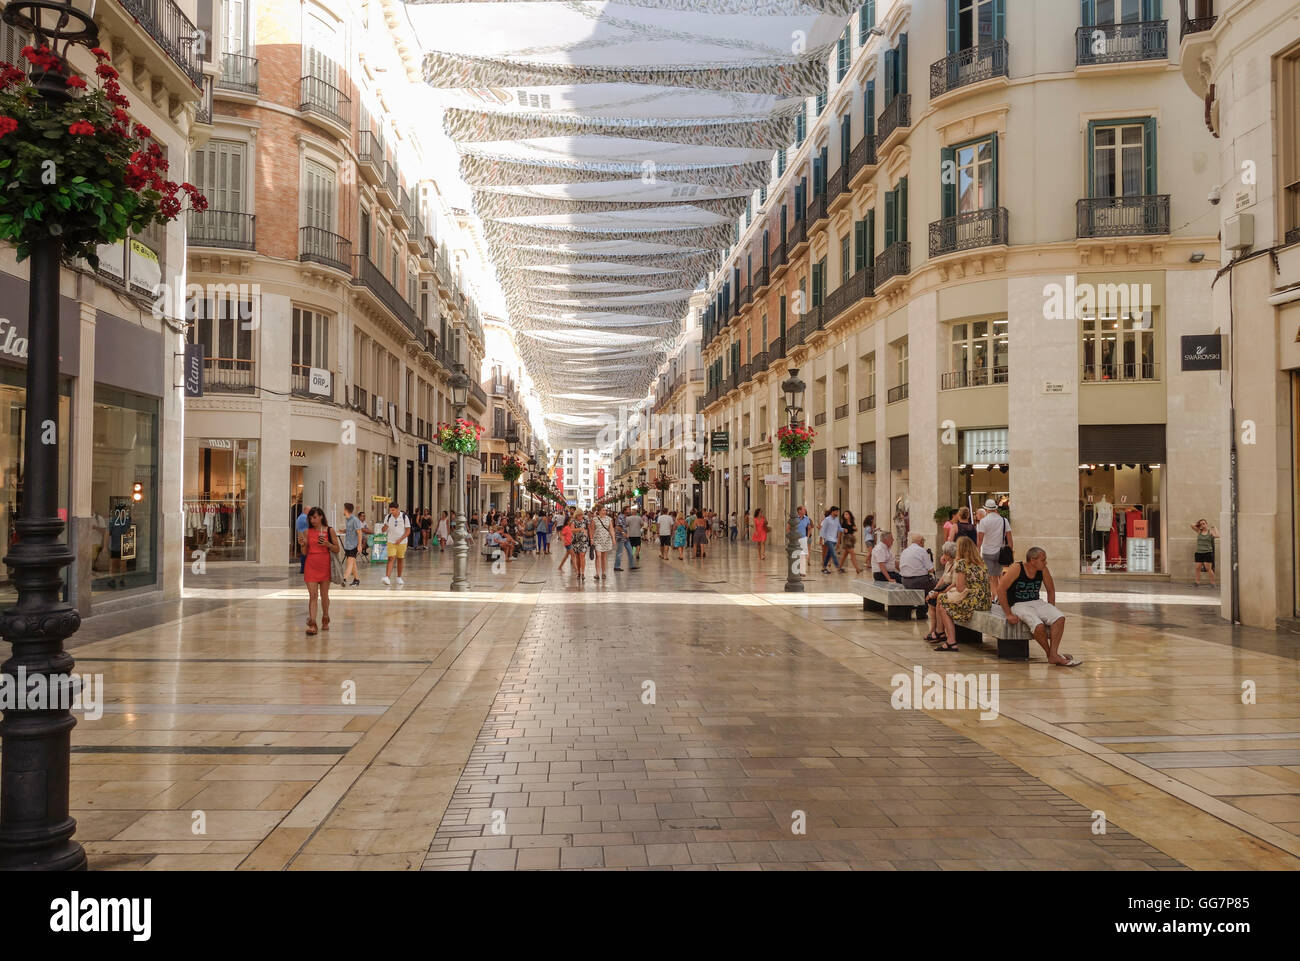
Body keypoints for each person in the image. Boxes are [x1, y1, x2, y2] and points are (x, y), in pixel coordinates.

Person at [998, 547, 1082, 666]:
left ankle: (1053, 654)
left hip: (1036, 602)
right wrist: (1008, 614)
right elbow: (1001, 589)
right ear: (1032, 560)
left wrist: (1051, 609)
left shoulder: (1043, 570)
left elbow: (1051, 590)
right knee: (1038, 626)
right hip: (1018, 604)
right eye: (1043, 560)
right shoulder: (1017, 568)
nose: (1045, 562)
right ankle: (1051, 655)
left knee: (1059, 618)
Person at [934, 536, 992, 652]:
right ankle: (943, 634)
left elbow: (960, 588)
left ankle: (950, 640)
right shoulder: (982, 562)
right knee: (944, 600)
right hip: (985, 601)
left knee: (941, 601)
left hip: (973, 601)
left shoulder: (962, 563)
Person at [298, 507, 341, 636]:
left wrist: (327, 544)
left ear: (321, 516)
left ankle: (325, 617)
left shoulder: (329, 530)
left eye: (315, 517)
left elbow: (337, 549)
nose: (312, 520)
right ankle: (312, 624)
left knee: (324, 595)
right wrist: (303, 545)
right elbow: (304, 553)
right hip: (311, 564)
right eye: (310, 518)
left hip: (325, 564)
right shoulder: (307, 532)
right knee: (312, 595)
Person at [976, 498, 1013, 597]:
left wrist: (977, 552)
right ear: (995, 509)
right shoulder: (1004, 520)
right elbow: (1009, 537)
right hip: (1000, 552)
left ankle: (997, 598)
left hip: (987, 552)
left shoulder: (983, 521)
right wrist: (1010, 551)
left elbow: (980, 540)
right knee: (998, 576)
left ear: (986, 509)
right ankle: (999, 596)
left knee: (992, 578)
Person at [924, 541, 958, 642]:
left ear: (949, 554)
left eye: (944, 554)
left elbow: (954, 584)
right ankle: (933, 630)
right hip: (943, 588)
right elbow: (942, 579)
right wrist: (933, 591)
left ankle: (940, 632)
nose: (943, 556)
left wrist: (940, 593)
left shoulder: (956, 564)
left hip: (950, 590)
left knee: (937, 601)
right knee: (930, 601)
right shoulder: (948, 563)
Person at [381, 502, 409, 587]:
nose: (392, 512)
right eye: (390, 510)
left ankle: (399, 577)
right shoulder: (388, 517)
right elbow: (383, 530)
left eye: (393, 510)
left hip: (402, 542)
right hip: (391, 541)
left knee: (400, 559)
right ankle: (387, 577)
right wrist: (385, 527)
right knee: (391, 558)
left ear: (397, 509)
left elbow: (408, 531)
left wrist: (400, 539)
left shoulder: (404, 517)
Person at [341, 502, 363, 586]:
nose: (343, 510)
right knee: (353, 563)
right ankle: (356, 579)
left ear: (346, 510)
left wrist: (359, 545)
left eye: (344, 509)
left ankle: (344, 578)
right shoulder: (347, 519)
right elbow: (350, 530)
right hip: (347, 544)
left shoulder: (355, 520)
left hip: (353, 545)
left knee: (350, 562)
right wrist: (343, 531)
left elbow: (359, 532)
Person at [1192, 519, 1218, 586]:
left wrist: (1215, 528)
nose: (1203, 525)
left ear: (1206, 524)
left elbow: (1217, 535)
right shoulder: (1199, 531)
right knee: (1197, 568)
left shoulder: (1210, 532)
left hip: (1207, 552)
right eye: (1201, 524)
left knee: (1208, 568)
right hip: (1199, 552)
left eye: (1204, 523)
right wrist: (1197, 524)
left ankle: (1213, 583)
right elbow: (1191, 525)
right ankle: (1197, 582)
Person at [590, 505, 614, 579]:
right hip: (597, 540)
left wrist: (613, 538)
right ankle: (597, 573)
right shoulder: (595, 519)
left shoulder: (609, 519)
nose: (605, 512)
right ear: (599, 511)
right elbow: (592, 530)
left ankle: (603, 573)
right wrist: (591, 539)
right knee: (598, 556)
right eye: (603, 510)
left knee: (604, 557)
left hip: (606, 540)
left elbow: (611, 529)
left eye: (605, 510)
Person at [819, 506, 843, 574]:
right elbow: (822, 530)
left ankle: (824, 567)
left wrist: (844, 530)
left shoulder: (837, 519)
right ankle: (838, 567)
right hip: (828, 539)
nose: (837, 513)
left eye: (837, 511)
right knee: (833, 553)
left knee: (828, 554)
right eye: (836, 511)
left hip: (834, 539)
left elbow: (839, 528)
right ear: (832, 512)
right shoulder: (827, 519)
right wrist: (821, 539)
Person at [839, 509, 863, 574]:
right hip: (846, 539)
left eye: (846, 514)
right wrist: (838, 542)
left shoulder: (852, 522)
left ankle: (839, 567)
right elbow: (840, 532)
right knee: (852, 553)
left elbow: (855, 529)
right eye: (844, 515)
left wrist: (855, 528)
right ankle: (857, 569)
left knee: (844, 555)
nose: (845, 516)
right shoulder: (843, 523)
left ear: (849, 515)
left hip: (851, 538)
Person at [569, 508, 590, 581]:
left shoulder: (585, 520)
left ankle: (583, 573)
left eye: (581, 515)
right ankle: (578, 572)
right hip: (576, 541)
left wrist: (591, 538)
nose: (581, 516)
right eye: (579, 515)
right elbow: (571, 530)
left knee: (582, 556)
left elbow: (589, 529)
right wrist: (580, 529)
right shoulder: (573, 521)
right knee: (577, 558)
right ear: (576, 515)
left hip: (584, 541)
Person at [795, 506, 812, 572]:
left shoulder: (807, 519)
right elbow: (789, 528)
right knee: (796, 555)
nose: (805, 511)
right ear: (799, 511)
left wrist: (807, 537)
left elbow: (809, 528)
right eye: (803, 509)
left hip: (803, 539)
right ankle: (796, 569)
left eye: (805, 510)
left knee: (803, 555)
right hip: (796, 539)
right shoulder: (795, 519)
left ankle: (802, 571)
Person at [295, 504, 310, 574]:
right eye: (309, 510)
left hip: (302, 535)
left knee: (303, 551)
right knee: (304, 551)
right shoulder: (304, 517)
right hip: (304, 536)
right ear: (305, 510)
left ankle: (303, 568)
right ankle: (304, 568)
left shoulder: (301, 517)